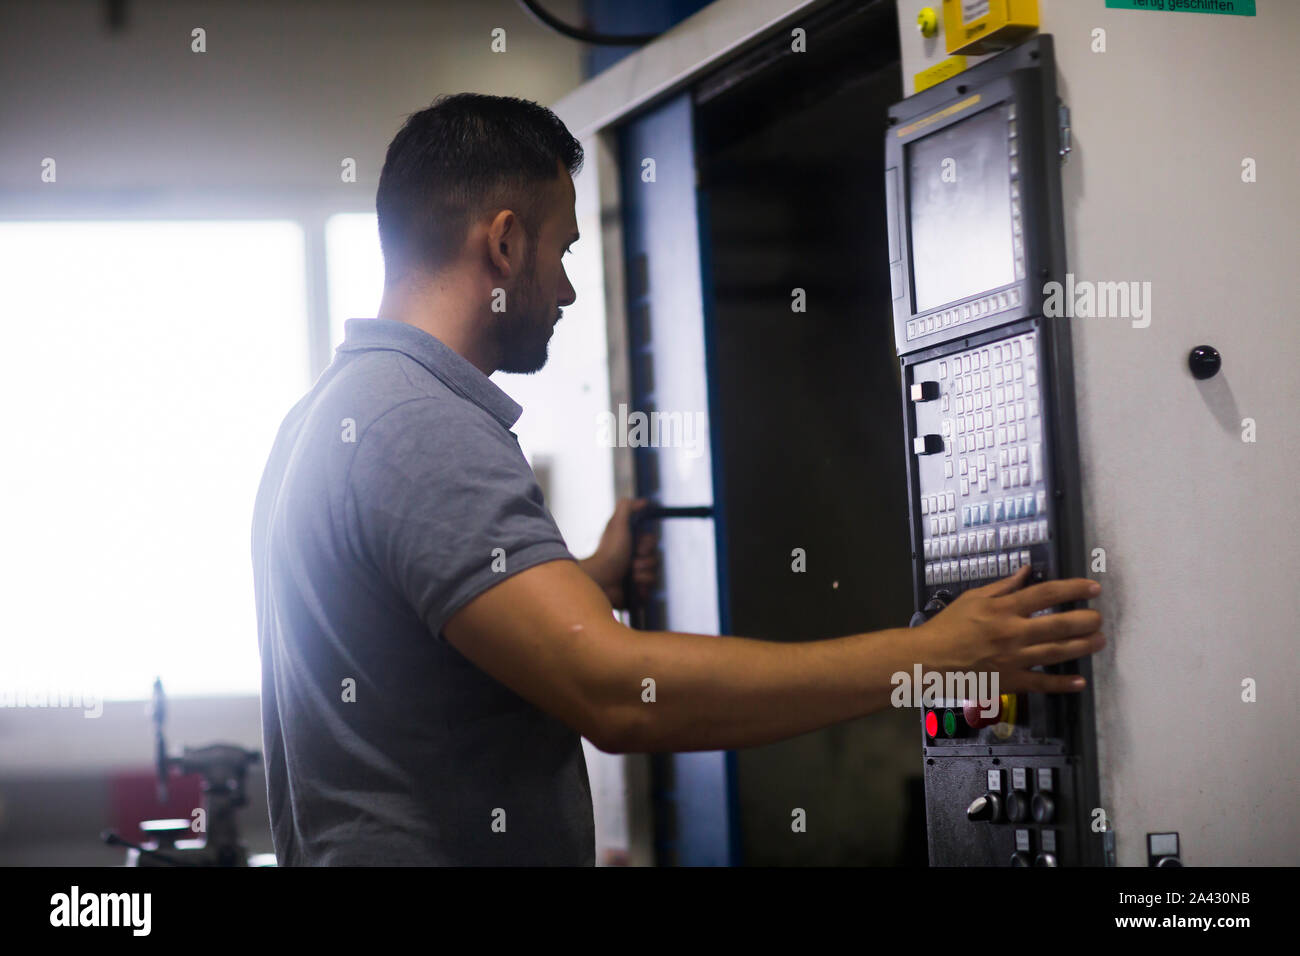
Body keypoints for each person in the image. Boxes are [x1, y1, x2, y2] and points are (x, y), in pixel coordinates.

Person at [251, 92, 1104, 866]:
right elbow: (618, 695)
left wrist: (584, 582)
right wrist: (931, 656)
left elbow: (410, 622)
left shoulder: (331, 414)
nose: (571, 290)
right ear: (505, 243)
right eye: (563, 251)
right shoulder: (422, 424)